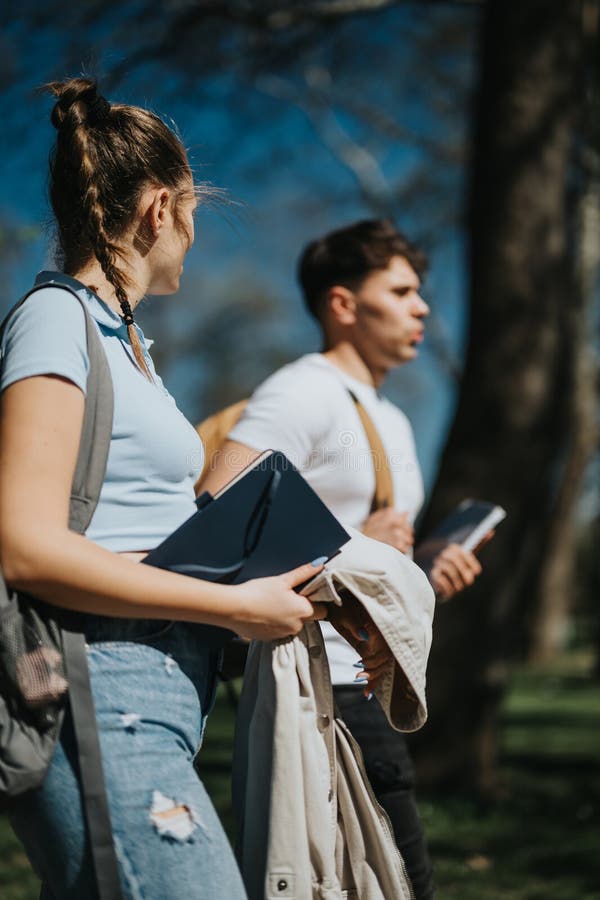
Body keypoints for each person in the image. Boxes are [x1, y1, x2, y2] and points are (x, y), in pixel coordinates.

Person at [0, 77, 331, 900]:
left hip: (153, 698)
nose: (194, 237)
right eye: (193, 214)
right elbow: (24, 544)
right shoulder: (55, 318)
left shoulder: (130, 346)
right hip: (100, 690)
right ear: (161, 207)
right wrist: (232, 606)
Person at [201, 219, 485, 900]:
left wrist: (419, 574)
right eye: (403, 290)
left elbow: (366, 554)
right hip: (325, 681)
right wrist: (356, 542)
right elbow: (221, 503)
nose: (422, 307)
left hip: (369, 678)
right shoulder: (304, 390)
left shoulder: (390, 414)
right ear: (344, 304)